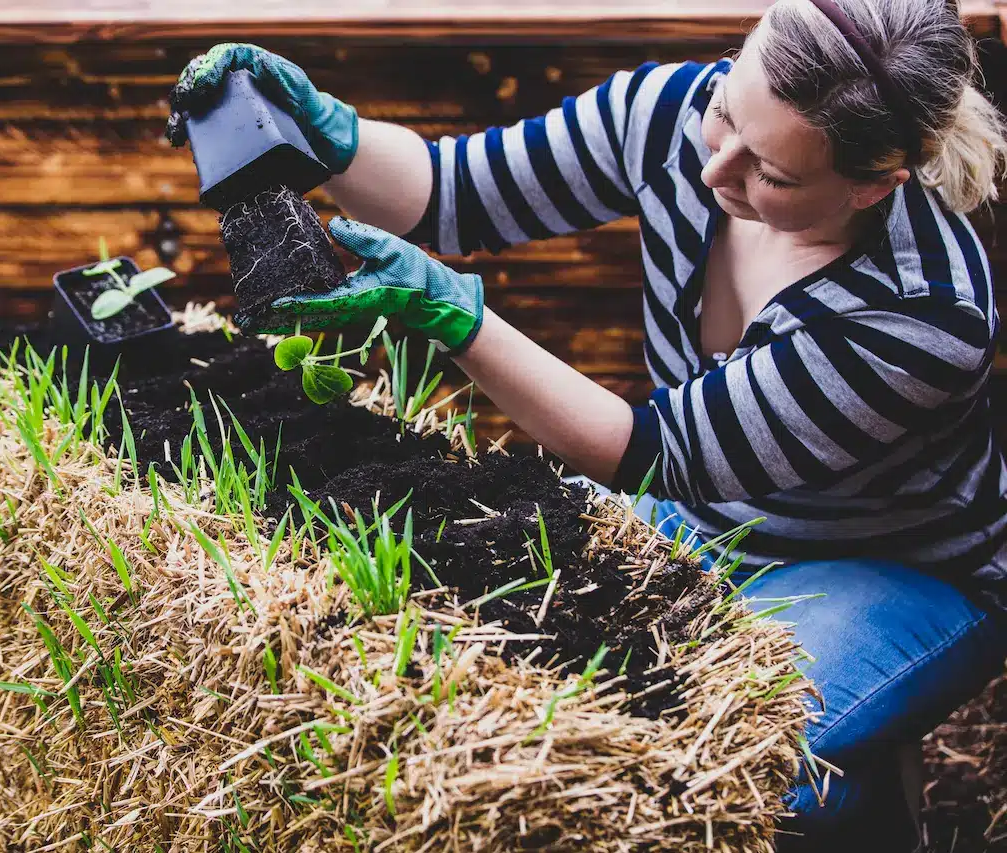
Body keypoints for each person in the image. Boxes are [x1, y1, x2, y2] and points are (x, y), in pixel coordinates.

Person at [169, 0, 1007, 847]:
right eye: (727, 115)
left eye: (774, 177)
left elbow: (650, 452)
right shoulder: (676, 113)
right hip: (709, 513)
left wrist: (455, 319)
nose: (716, 172)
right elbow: (458, 191)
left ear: (872, 184)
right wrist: (328, 131)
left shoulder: (925, 315)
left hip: (897, 560)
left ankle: (875, 819)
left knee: (735, 768)